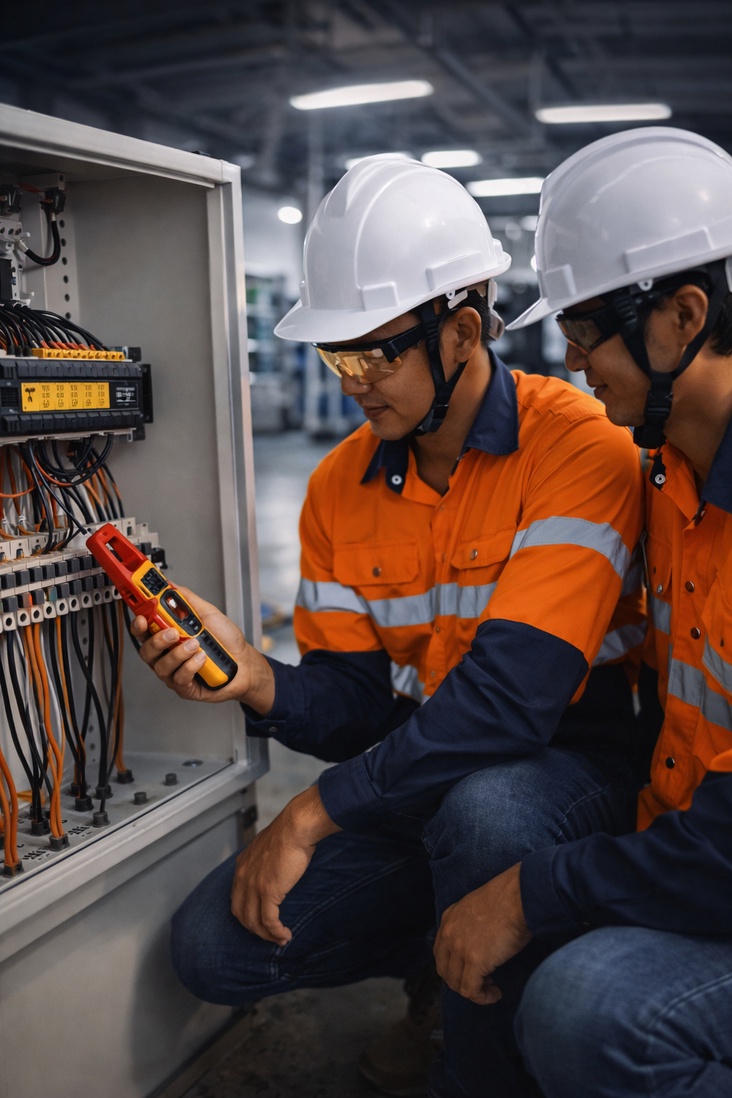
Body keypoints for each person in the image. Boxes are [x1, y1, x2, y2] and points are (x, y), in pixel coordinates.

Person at [132, 155, 647, 1098]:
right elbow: (360, 705)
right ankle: (448, 973)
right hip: (427, 777)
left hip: (574, 777)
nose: (355, 384)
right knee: (216, 949)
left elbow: (511, 706)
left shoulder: (580, 445)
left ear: (460, 331)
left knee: (491, 809)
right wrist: (253, 677)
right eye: (341, 356)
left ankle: (483, 1058)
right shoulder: (338, 485)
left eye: (375, 354)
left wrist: (315, 810)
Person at [433, 126, 732, 1098]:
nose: (568, 355)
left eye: (587, 329)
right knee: (497, 817)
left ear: (683, 316)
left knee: (589, 1008)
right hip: (687, 837)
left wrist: (537, 893)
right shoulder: (665, 474)